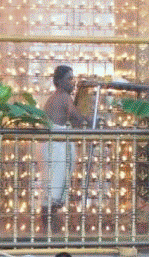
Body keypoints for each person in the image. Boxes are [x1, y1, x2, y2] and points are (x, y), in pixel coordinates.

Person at [37, 65, 90, 219]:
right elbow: (77, 119)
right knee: (54, 189)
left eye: (73, 79)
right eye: (69, 79)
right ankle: (49, 224)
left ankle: (48, 223)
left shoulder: (56, 97)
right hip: (56, 146)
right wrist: (92, 118)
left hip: (53, 145)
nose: (72, 82)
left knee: (51, 188)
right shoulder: (63, 97)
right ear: (59, 82)